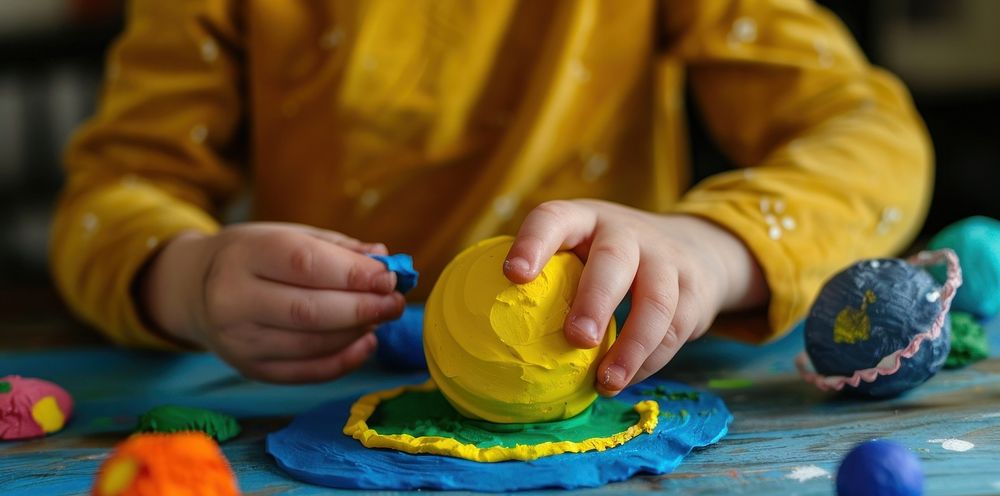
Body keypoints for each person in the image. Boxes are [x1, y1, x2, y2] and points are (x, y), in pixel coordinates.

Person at [51, 1, 931, 394]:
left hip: (616, 381)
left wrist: (713, 246)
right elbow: (115, 191)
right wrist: (186, 278)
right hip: (311, 391)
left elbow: (872, 135)